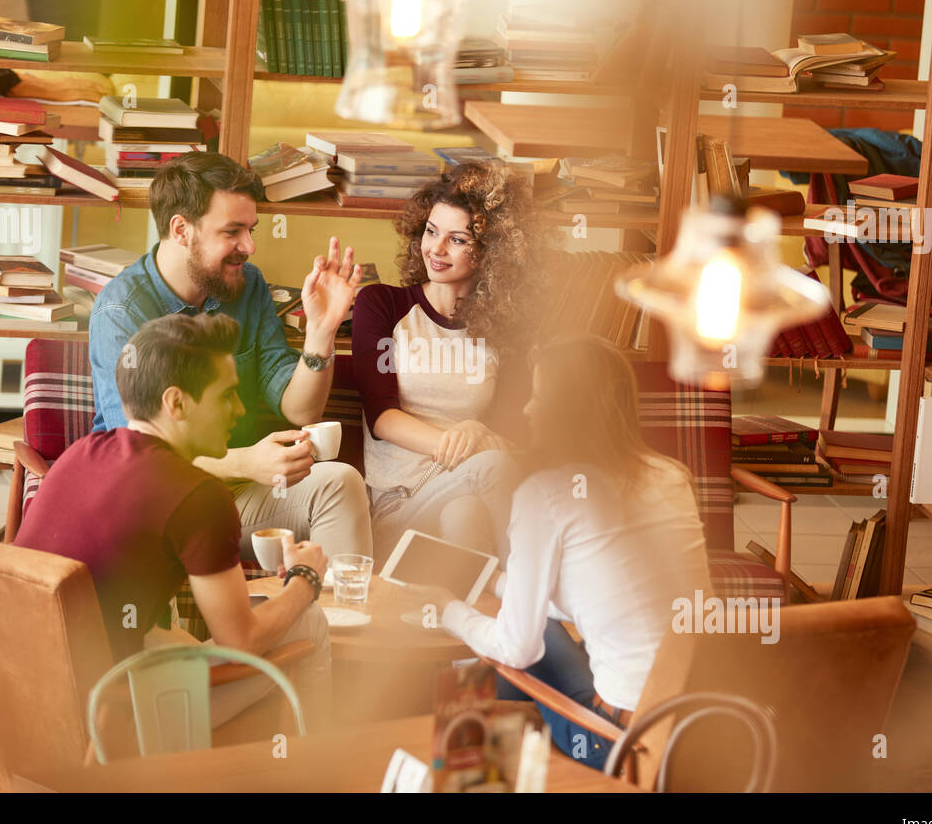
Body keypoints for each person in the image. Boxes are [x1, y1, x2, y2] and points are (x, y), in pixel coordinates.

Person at [406, 334, 713, 770]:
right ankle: (486, 767)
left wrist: (447, 609)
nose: (528, 409)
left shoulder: (545, 495)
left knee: (494, 658)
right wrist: (498, 582)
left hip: (626, 746)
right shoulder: (671, 477)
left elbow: (516, 649)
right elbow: (611, 594)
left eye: (539, 396)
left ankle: (468, 772)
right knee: (526, 630)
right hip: (705, 728)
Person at [16, 313, 331, 728]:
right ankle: (320, 766)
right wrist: (305, 579)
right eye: (226, 396)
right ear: (176, 402)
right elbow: (243, 642)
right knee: (307, 619)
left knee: (168, 632)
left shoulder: (81, 453)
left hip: (21, 693)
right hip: (109, 718)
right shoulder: (199, 495)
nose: (239, 410)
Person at [89, 152, 373, 564]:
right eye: (233, 231)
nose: (250, 246)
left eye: (251, 229)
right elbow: (136, 453)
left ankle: (334, 625)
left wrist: (320, 333)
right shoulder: (121, 311)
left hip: (237, 493)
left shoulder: (246, 285)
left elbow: (299, 408)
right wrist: (247, 461)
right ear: (181, 229)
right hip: (156, 500)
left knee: (341, 483)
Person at [350, 161, 546, 563]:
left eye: (457, 240)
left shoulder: (503, 334)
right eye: (431, 231)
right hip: (400, 505)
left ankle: (465, 614)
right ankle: (539, 599)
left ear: (493, 252)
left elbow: (515, 437)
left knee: (466, 515)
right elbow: (382, 417)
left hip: (468, 494)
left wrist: (478, 432)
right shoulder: (383, 306)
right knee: (490, 466)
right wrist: (465, 442)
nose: (435, 250)